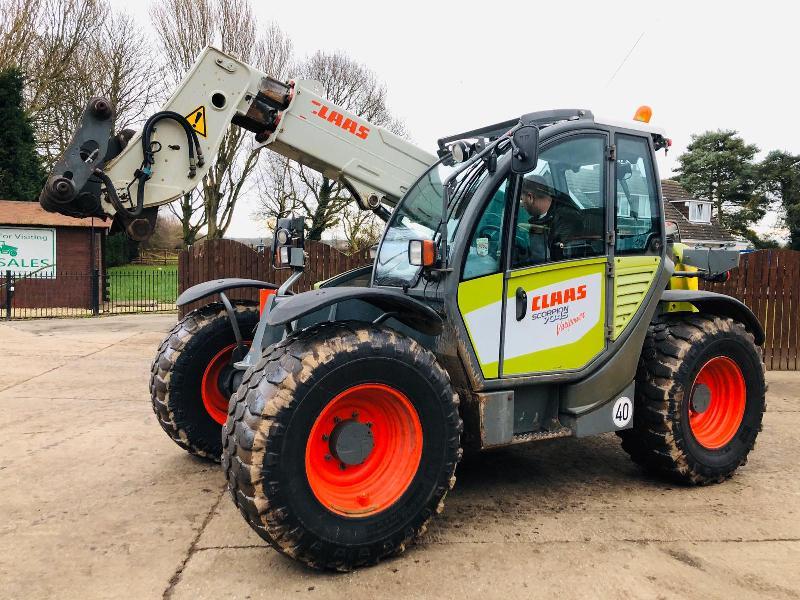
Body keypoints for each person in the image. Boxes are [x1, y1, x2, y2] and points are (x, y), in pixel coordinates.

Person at [516, 174, 582, 264]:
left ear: (530, 197)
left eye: (521, 199)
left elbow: (556, 259)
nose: (522, 205)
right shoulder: (541, 218)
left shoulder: (566, 220)